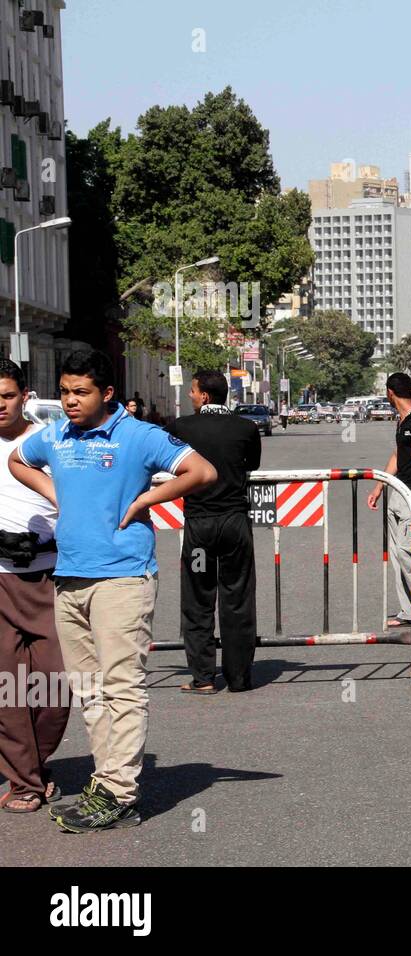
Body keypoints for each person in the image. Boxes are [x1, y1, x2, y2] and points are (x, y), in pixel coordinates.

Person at [8, 349, 216, 832]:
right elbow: (19, 459)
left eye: (80, 393)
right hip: (70, 578)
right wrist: (54, 492)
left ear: (107, 394)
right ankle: (107, 783)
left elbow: (201, 472)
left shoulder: (138, 436)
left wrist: (147, 496)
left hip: (122, 578)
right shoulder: (55, 434)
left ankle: (121, 793)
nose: (70, 401)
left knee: (121, 687)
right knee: (89, 689)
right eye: (63, 392)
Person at [166, 370, 262, 693]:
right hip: (234, 524)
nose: (189, 396)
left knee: (198, 599)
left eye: (192, 391)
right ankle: (239, 677)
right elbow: (253, 464)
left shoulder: (181, 429)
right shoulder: (246, 428)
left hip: (199, 528)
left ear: (204, 396)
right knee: (237, 598)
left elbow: (167, 462)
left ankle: (203, 678)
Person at [0, 359, 68, 814]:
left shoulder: (51, 443)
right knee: (7, 688)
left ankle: (33, 764)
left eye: (5, 396)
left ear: (25, 396)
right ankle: (24, 782)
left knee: (57, 685)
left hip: (51, 575)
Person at [366, 373, 411, 628]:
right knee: (397, 555)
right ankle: (409, 610)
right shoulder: (403, 421)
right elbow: (398, 455)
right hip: (399, 493)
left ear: (389, 393)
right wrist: (379, 487)